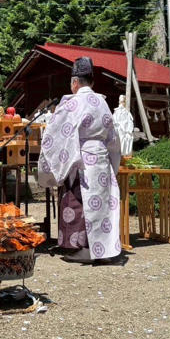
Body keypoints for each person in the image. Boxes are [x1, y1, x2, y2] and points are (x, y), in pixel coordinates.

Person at [37, 57, 122, 264]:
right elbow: (113, 137)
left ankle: (84, 248)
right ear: (91, 82)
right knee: (100, 204)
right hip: (101, 159)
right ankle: (103, 249)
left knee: (78, 202)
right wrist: (113, 162)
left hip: (81, 160)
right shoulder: (102, 102)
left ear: (75, 82)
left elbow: (55, 134)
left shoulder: (72, 103)